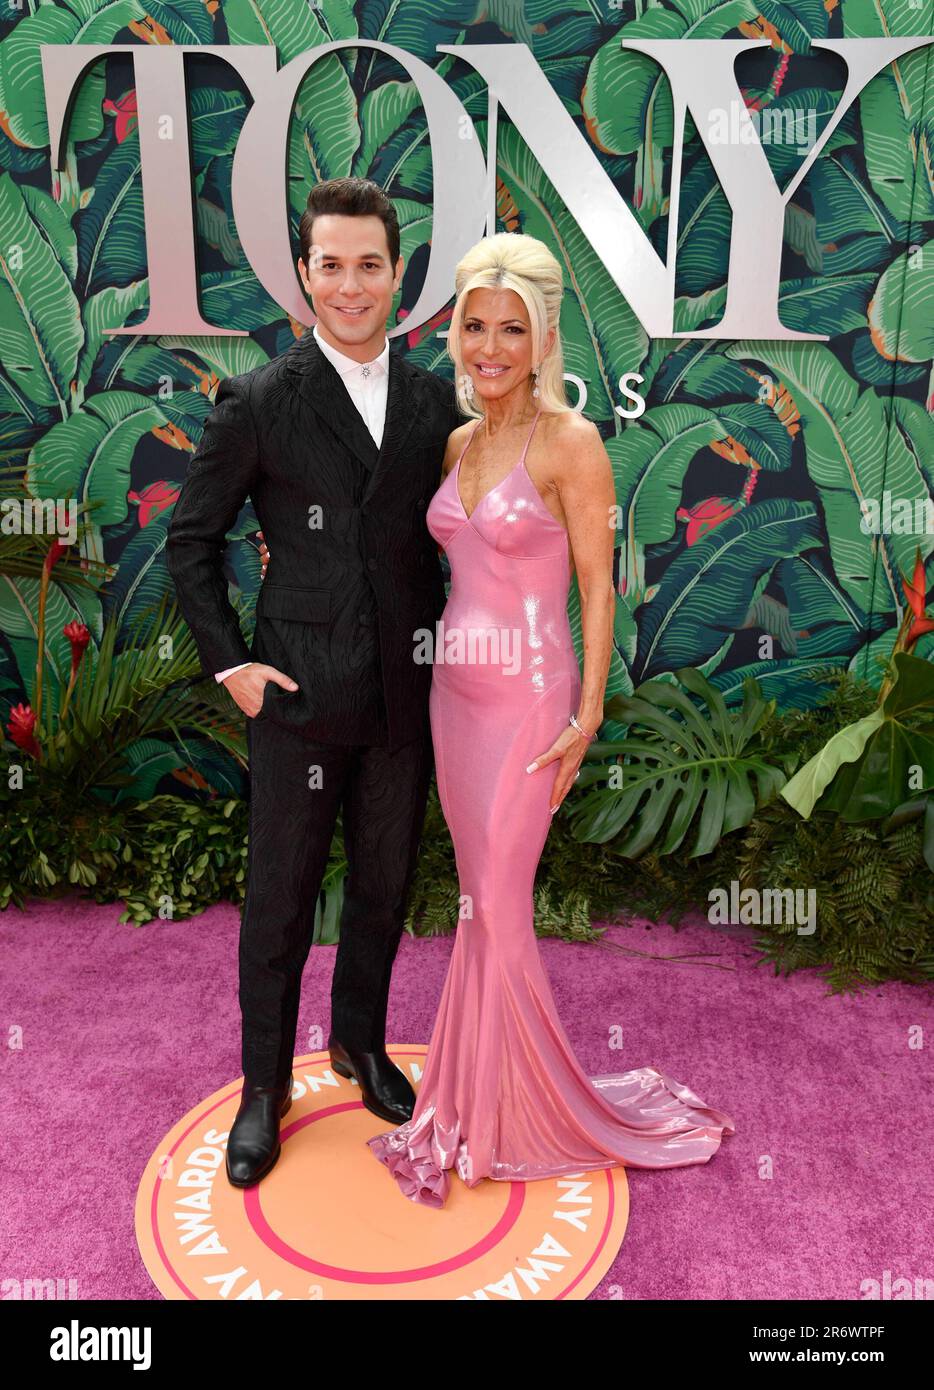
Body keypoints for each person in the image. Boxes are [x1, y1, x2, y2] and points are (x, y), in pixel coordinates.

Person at [262, 232, 736, 1209]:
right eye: (474, 327)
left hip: (528, 700)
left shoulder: (573, 443)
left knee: (502, 906)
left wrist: (587, 710)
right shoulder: (455, 442)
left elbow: (598, 592)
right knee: (479, 904)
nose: (488, 347)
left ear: (543, 336)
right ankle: (479, 1094)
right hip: (454, 700)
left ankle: (537, 1109)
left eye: (509, 330)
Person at [166, 177, 459, 1188]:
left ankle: (360, 1044)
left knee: (383, 887)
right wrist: (231, 666)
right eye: (329, 265)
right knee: (279, 904)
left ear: (397, 275)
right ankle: (261, 1087)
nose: (349, 284)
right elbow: (190, 540)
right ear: (303, 274)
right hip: (294, 697)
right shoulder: (258, 401)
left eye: (368, 265)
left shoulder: (436, 403)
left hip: (404, 699)